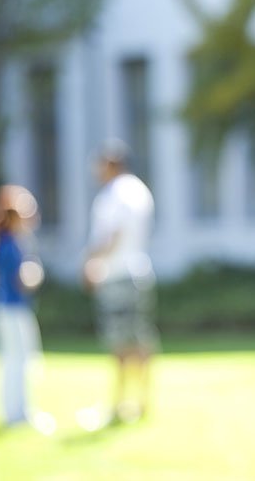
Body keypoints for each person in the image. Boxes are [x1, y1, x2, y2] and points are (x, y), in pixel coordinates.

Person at [83, 139, 157, 423]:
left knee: (120, 343)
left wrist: (91, 262)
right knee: (140, 338)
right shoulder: (139, 190)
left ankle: (119, 404)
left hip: (117, 275)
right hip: (137, 272)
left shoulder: (115, 193)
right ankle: (142, 402)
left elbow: (112, 235)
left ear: (111, 164)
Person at [0, 185, 45, 428]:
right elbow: (17, 278)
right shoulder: (6, 242)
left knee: (16, 359)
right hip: (10, 307)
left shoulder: (7, 240)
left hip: (10, 307)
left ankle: (18, 412)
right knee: (16, 360)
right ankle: (16, 414)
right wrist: (32, 275)